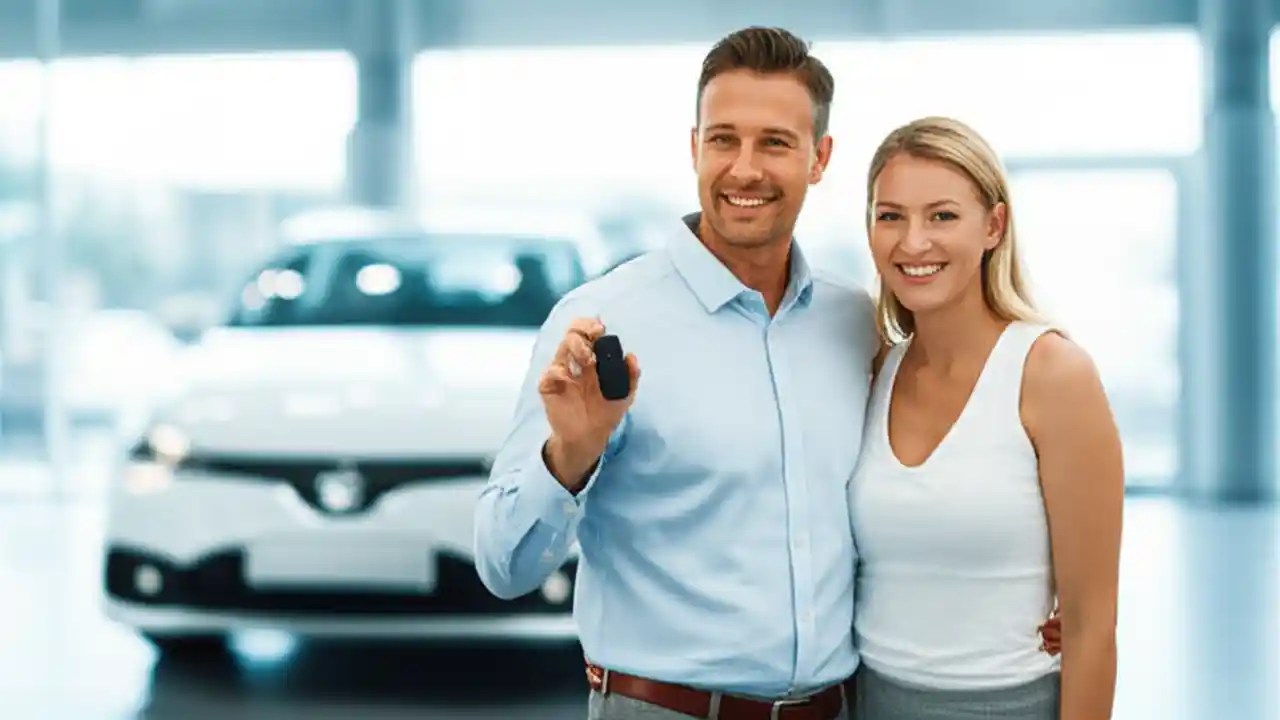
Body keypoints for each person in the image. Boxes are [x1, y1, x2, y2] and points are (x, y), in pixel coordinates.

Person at [474, 27, 1059, 720]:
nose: (744, 169)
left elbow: (910, 499)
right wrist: (569, 456)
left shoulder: (856, 324)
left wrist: (1033, 590)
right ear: (694, 147)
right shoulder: (600, 321)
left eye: (775, 143)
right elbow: (504, 569)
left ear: (819, 157)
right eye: (724, 139)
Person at [847, 116, 1122, 720]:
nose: (912, 242)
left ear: (993, 226)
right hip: (868, 700)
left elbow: (1092, 630)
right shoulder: (872, 371)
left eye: (942, 215)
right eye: (890, 215)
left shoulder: (1052, 374)